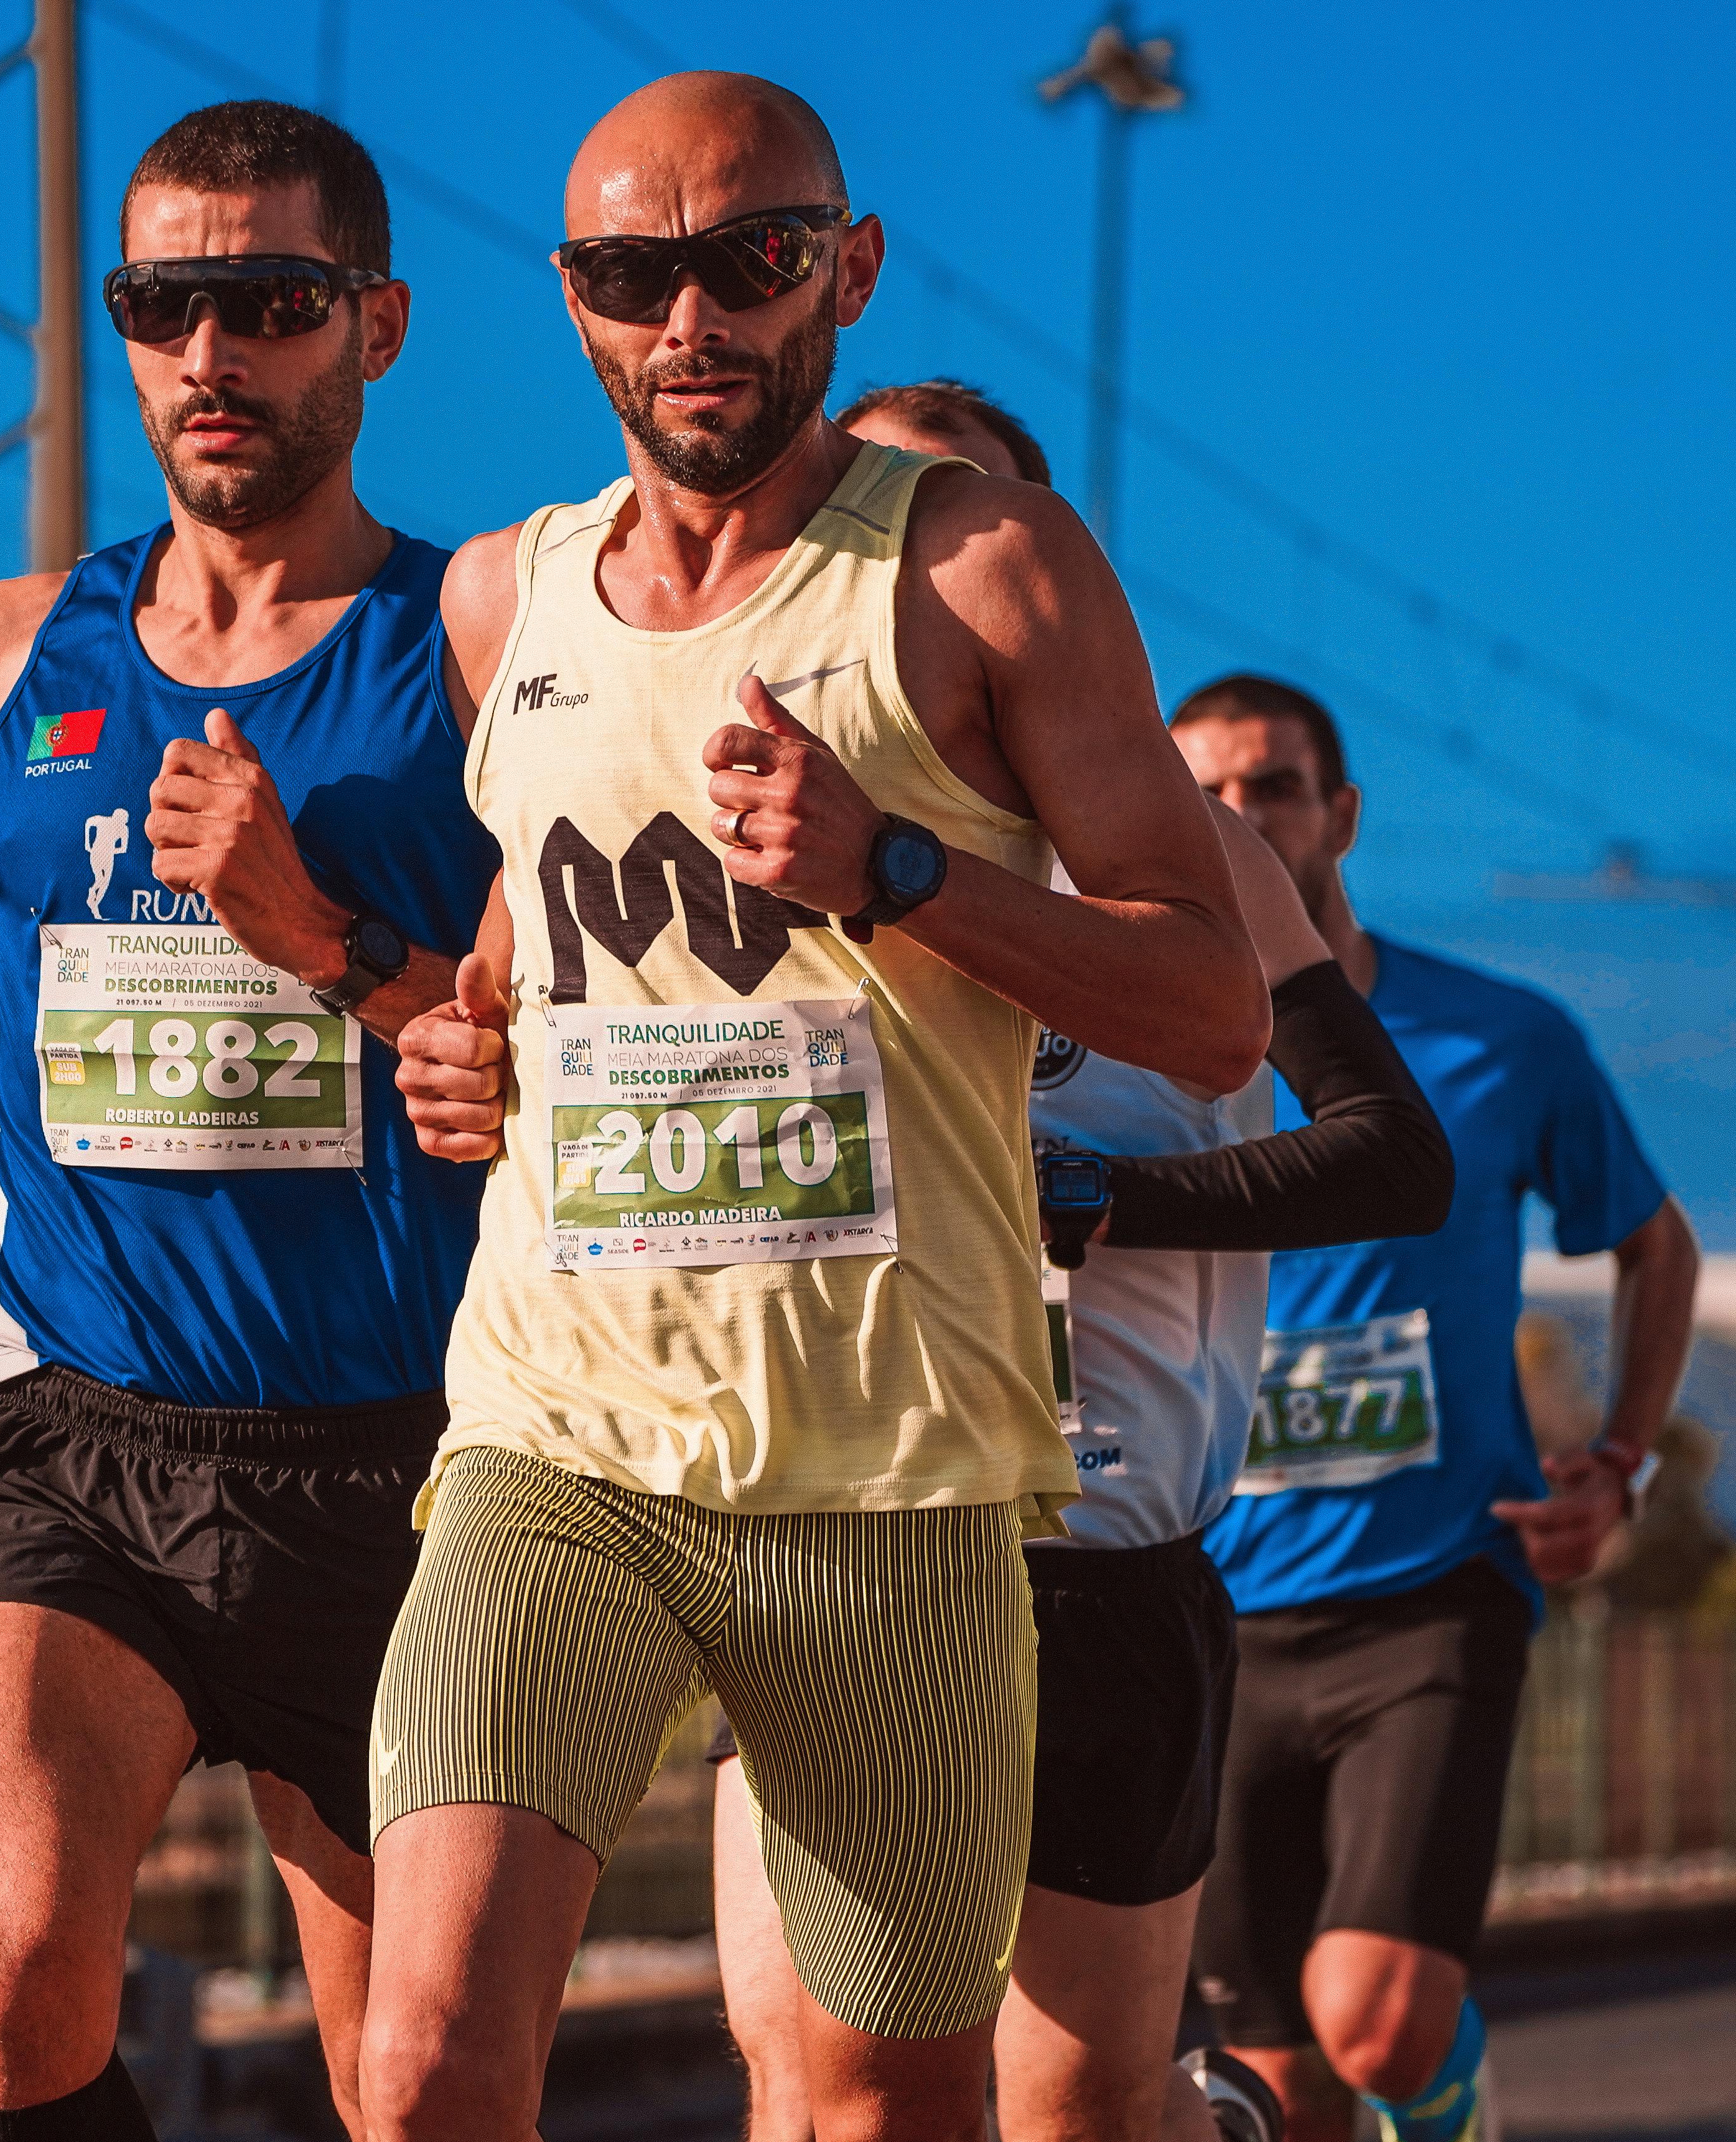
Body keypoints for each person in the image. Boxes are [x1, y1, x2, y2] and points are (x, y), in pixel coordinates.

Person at [373, 77, 1269, 2142]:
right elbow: (529, 939)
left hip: (889, 1477)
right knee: (419, 2064)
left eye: (748, 260)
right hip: (560, 1441)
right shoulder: (505, 603)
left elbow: (1212, 1006)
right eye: (630, 272)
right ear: (572, 302)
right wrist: (461, 1038)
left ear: (844, 273)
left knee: (877, 2102)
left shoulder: (986, 572)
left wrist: (901, 872)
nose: (689, 317)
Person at [0, 103, 496, 2142]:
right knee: (19, 1999)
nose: (211, 355)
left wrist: (318, 936)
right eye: (161, 305)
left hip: (399, 1470)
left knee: (422, 2092)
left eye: (268, 304)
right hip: (66, 1430)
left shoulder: (473, 655)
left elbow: (561, 1036)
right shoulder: (8, 648)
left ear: (369, 327)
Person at [706, 382, 1454, 2142]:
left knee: (1072, 2112)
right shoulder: (754, 836)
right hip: (830, 1535)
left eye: (968, 521)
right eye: (880, 515)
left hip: (1098, 1565)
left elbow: (1394, 1155)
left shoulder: (1192, 865)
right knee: (815, 2092)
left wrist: (1104, 1199)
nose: (927, 564)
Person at [1172, 676, 1702, 2142]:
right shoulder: (1132, 1054)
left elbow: (1655, 1242)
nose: (1237, 816)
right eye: (1200, 789)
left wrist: (1622, 1461)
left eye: (1272, 786)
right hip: (1205, 1611)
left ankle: (1448, 2096)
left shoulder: (1498, 1036)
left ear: (1337, 815)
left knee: (1379, 2025)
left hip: (1430, 1592)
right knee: (1278, 2090)